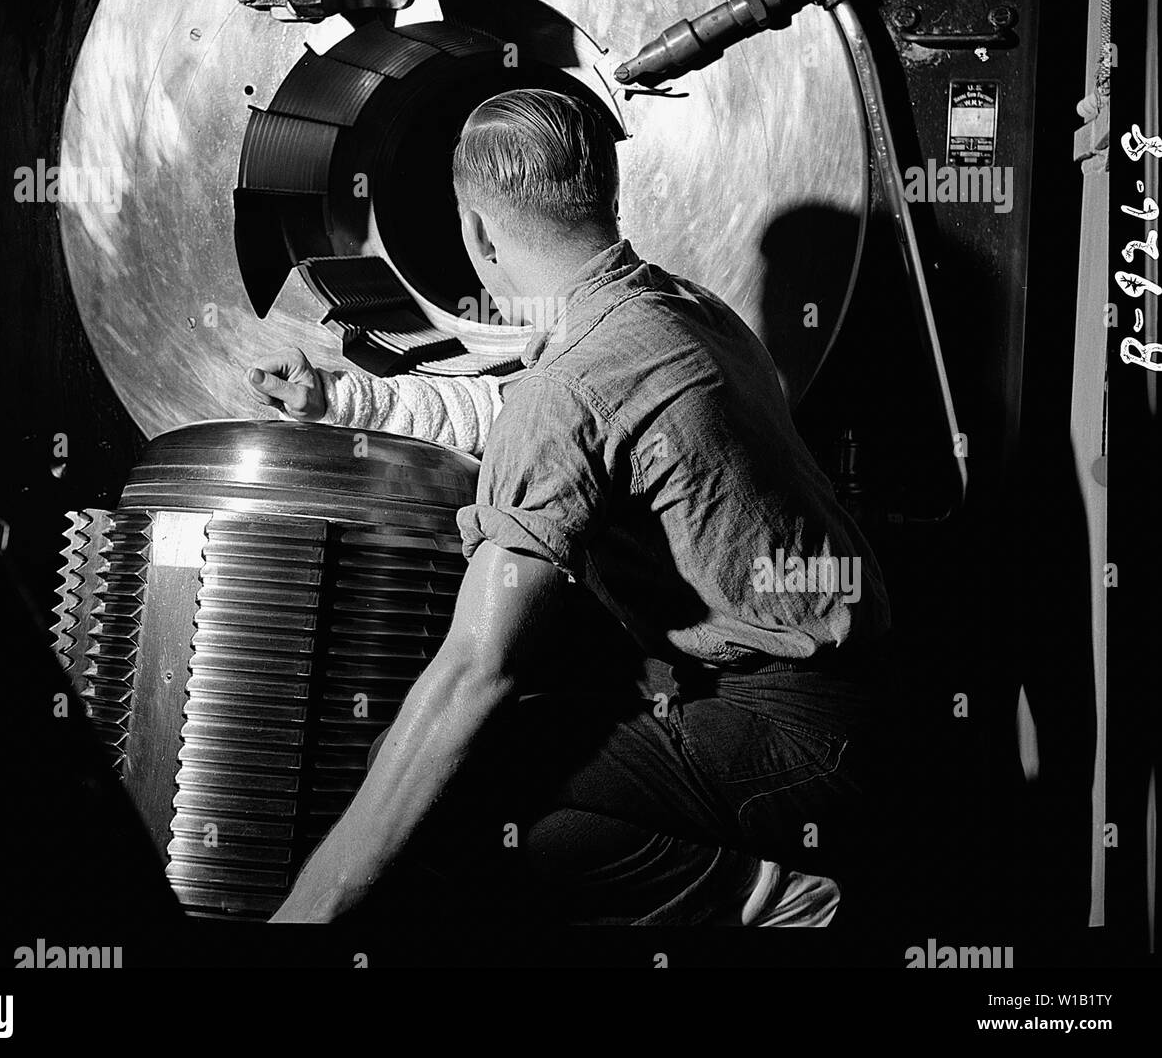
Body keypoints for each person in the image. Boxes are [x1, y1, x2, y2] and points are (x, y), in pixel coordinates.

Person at [249, 87, 892, 927]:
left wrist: (308, 911)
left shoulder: (573, 385)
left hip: (801, 742)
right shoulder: (683, 309)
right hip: (862, 697)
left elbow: (474, 675)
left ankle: (773, 900)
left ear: (476, 232)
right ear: (607, 195)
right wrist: (343, 399)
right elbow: (537, 413)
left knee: (446, 802)